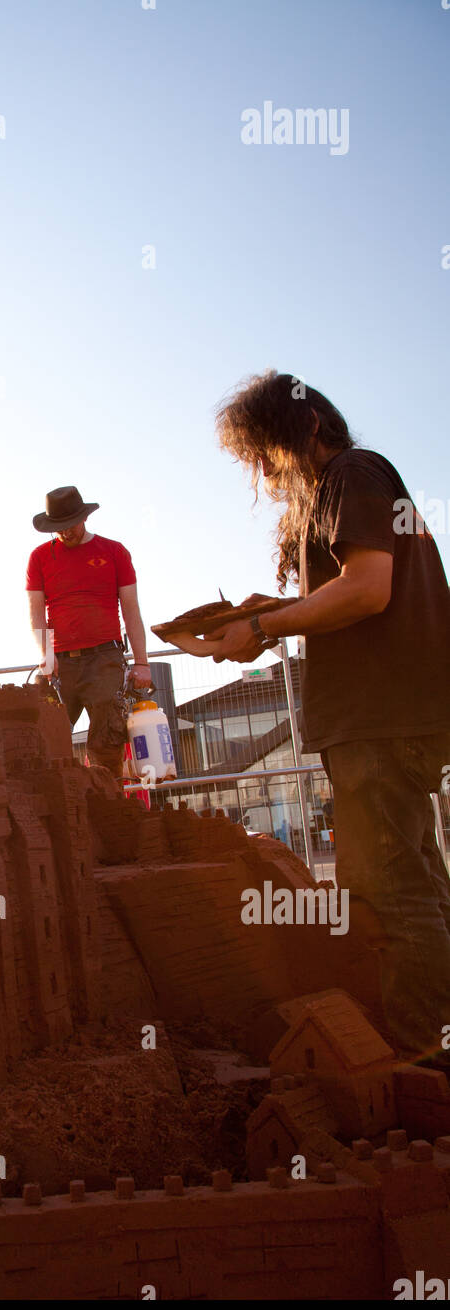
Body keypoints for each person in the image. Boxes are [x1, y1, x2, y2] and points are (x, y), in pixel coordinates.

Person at [212, 370, 450, 1066]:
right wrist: (256, 617)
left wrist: (260, 625)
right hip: (388, 715)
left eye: (267, 450)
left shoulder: (354, 472)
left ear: (308, 426)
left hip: (381, 716)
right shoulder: (346, 485)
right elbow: (348, 592)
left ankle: (425, 1060)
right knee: (418, 881)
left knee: (390, 890)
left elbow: (368, 590)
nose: (264, 469)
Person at [26, 485, 155, 782]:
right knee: (47, 742)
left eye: (70, 525)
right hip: (59, 663)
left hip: (105, 659)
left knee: (106, 744)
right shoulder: (39, 557)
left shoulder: (114, 551)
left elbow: (131, 610)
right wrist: (45, 655)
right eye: (58, 527)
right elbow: (34, 611)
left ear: (84, 517)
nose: (65, 533)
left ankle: (109, 810)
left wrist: (142, 662)